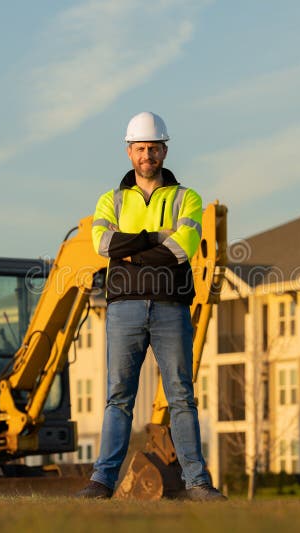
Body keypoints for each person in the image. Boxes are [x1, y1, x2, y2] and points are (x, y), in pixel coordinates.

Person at [76, 112, 225, 501]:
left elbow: (184, 247)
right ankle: (102, 482)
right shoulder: (110, 200)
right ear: (129, 152)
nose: (147, 155)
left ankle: (197, 483)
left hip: (170, 306)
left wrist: (133, 251)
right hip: (124, 309)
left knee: (181, 396)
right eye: (140, 148)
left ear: (164, 150)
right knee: (118, 397)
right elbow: (102, 245)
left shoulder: (186, 197)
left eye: (153, 148)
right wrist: (156, 240)